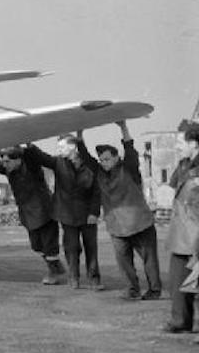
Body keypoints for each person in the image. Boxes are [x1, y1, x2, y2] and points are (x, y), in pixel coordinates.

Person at [84, 120, 161, 300]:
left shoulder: (129, 168)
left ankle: (154, 290)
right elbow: (86, 157)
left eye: (108, 159)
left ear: (117, 157)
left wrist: (123, 126)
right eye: (101, 160)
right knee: (123, 262)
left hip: (140, 223)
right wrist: (80, 135)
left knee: (149, 259)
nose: (104, 163)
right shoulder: (100, 173)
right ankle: (131, 290)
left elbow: (130, 149)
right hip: (117, 227)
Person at [0, 145, 66, 284]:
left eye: (7, 161)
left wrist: (27, 145)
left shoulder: (32, 168)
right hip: (27, 213)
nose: (4, 164)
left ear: (18, 160)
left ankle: (54, 273)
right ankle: (57, 266)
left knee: (49, 245)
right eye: (3, 161)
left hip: (45, 212)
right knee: (36, 246)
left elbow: (33, 155)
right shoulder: (8, 169)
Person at [32, 133, 103, 290]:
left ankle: (94, 279)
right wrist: (29, 144)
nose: (59, 150)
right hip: (67, 215)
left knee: (91, 248)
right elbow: (42, 157)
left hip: (87, 215)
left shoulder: (90, 164)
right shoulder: (58, 163)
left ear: (72, 147)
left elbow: (96, 192)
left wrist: (94, 213)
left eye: (62, 147)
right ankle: (74, 278)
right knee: (71, 248)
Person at [164, 124, 199, 333]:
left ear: (194, 144)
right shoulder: (184, 165)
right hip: (181, 235)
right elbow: (173, 186)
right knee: (177, 281)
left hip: (196, 235)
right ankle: (180, 321)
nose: (177, 147)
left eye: (180, 143)